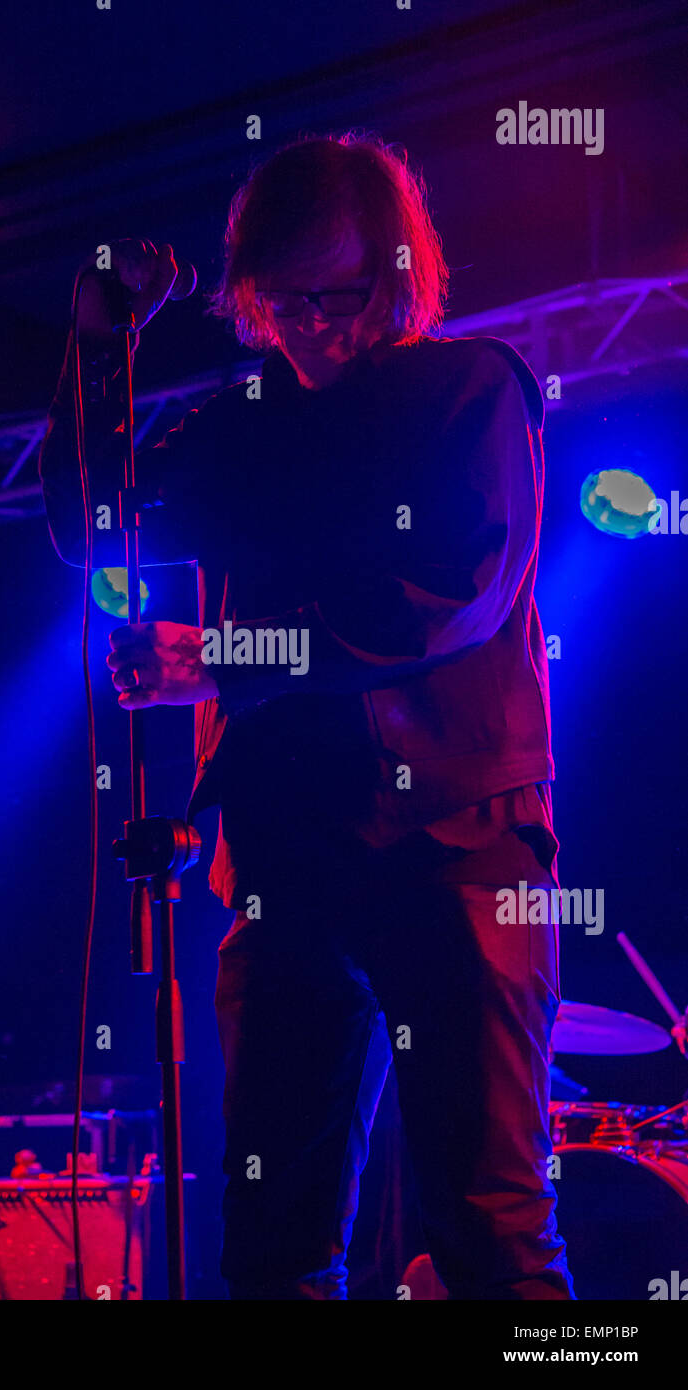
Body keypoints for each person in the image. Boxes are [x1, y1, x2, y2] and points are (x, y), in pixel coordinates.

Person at [39, 133, 574, 1300]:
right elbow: (95, 521)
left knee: (487, 1217)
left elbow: (442, 599)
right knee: (275, 1239)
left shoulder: (470, 390)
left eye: (341, 293)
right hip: (281, 856)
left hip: (455, 842)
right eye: (286, 300)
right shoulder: (239, 427)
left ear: (395, 275)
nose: (316, 323)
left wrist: (225, 655)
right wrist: (92, 343)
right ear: (249, 296)